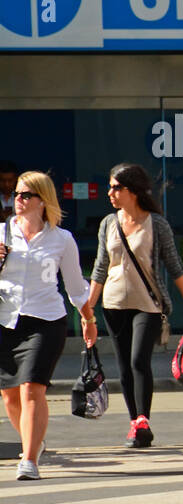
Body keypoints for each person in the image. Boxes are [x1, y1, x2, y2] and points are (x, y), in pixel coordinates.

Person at [87, 164, 183, 449]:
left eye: (116, 187)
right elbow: (100, 268)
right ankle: (136, 423)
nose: (110, 193)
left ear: (132, 191)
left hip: (148, 304)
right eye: (110, 187)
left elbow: (174, 265)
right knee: (123, 365)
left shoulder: (156, 224)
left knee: (138, 360)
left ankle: (143, 419)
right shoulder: (108, 223)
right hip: (112, 304)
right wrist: (88, 310)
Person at [0, 172, 96, 480]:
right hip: (6, 320)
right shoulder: (2, 234)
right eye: (17, 194)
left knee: (32, 389)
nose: (18, 200)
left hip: (45, 321)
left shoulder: (61, 239)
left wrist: (88, 318)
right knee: (10, 395)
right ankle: (35, 441)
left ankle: (29, 459)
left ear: (43, 201)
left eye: (26, 195)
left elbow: (75, 286)